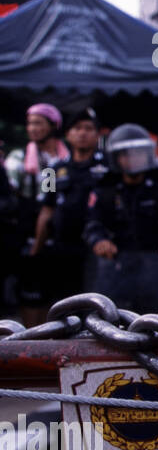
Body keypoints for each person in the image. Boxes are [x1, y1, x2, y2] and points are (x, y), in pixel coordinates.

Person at [83, 123, 158, 314]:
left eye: (138, 153)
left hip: (154, 264)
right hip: (106, 264)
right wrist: (99, 240)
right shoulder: (53, 169)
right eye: (126, 154)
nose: (133, 159)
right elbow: (89, 220)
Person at [32, 107, 108, 306]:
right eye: (77, 128)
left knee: (98, 304)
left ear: (97, 134)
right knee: (63, 304)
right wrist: (36, 249)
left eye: (88, 128)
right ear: (68, 134)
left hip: (98, 248)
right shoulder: (52, 169)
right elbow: (46, 209)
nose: (82, 133)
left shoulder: (109, 167)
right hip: (63, 248)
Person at [16, 103, 70, 324]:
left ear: (53, 125)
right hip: (29, 235)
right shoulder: (18, 159)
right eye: (29, 123)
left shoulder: (66, 158)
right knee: (30, 296)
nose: (32, 128)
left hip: (59, 238)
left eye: (38, 122)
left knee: (56, 299)